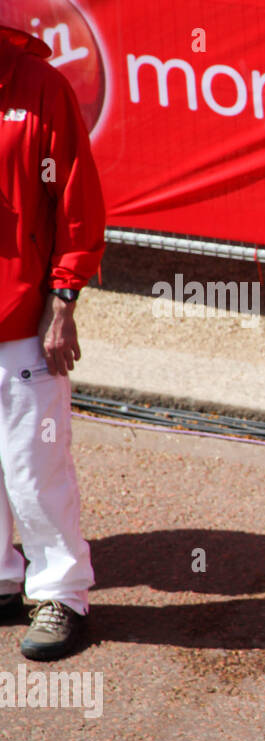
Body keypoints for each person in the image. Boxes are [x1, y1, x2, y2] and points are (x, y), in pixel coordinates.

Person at [0, 24, 104, 660]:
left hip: (22, 319)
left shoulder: (41, 86)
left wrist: (63, 300)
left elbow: (76, 204)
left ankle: (61, 594)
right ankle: (4, 581)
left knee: (34, 471)